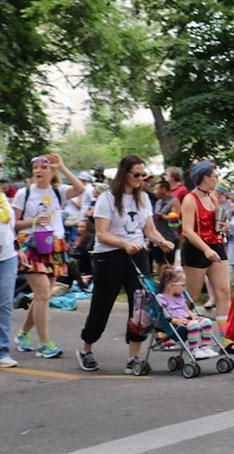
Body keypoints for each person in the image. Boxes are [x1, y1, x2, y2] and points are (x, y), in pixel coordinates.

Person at [76, 155, 174, 372]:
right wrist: (123, 244)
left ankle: (133, 357)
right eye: (136, 174)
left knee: (140, 308)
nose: (140, 179)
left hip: (137, 254)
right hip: (109, 256)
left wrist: (162, 241)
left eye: (143, 175)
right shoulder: (107, 198)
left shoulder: (143, 198)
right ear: (124, 174)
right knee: (101, 306)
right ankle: (86, 348)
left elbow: (149, 229)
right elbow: (101, 234)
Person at [12, 153, 84, 358]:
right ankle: (45, 344)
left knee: (42, 295)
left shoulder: (58, 191)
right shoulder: (24, 193)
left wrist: (62, 166)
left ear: (51, 171)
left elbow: (80, 189)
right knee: (43, 292)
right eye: (36, 168)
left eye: (44, 167)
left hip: (54, 245)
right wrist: (33, 221)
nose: (39, 171)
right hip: (31, 246)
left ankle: (23, 334)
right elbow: (14, 224)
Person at [179, 161, 232, 341]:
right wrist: (206, 249)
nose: (217, 179)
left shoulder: (213, 198)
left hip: (216, 246)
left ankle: (226, 339)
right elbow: (187, 230)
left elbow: (215, 223)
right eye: (215, 176)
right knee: (192, 295)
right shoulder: (190, 199)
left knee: (224, 291)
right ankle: (177, 327)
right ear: (205, 177)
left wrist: (224, 226)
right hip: (197, 249)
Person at [156, 265, 218, 359]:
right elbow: (162, 314)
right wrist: (174, 320)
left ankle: (206, 347)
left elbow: (187, 310)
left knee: (207, 322)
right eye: (183, 285)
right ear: (171, 286)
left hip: (187, 320)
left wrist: (193, 316)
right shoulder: (162, 298)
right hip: (176, 324)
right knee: (194, 325)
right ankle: (194, 349)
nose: (185, 288)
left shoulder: (180, 297)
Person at [0, 187, 18, 367]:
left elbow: (9, 228)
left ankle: (2, 351)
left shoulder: (3, 199)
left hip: (7, 257)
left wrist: (18, 248)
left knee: (4, 304)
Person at [150, 179, 180, 268]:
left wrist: (162, 216)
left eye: (156, 189)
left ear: (163, 189)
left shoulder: (174, 201)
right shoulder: (158, 202)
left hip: (169, 237)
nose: (154, 192)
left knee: (170, 265)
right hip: (158, 238)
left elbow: (175, 221)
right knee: (159, 263)